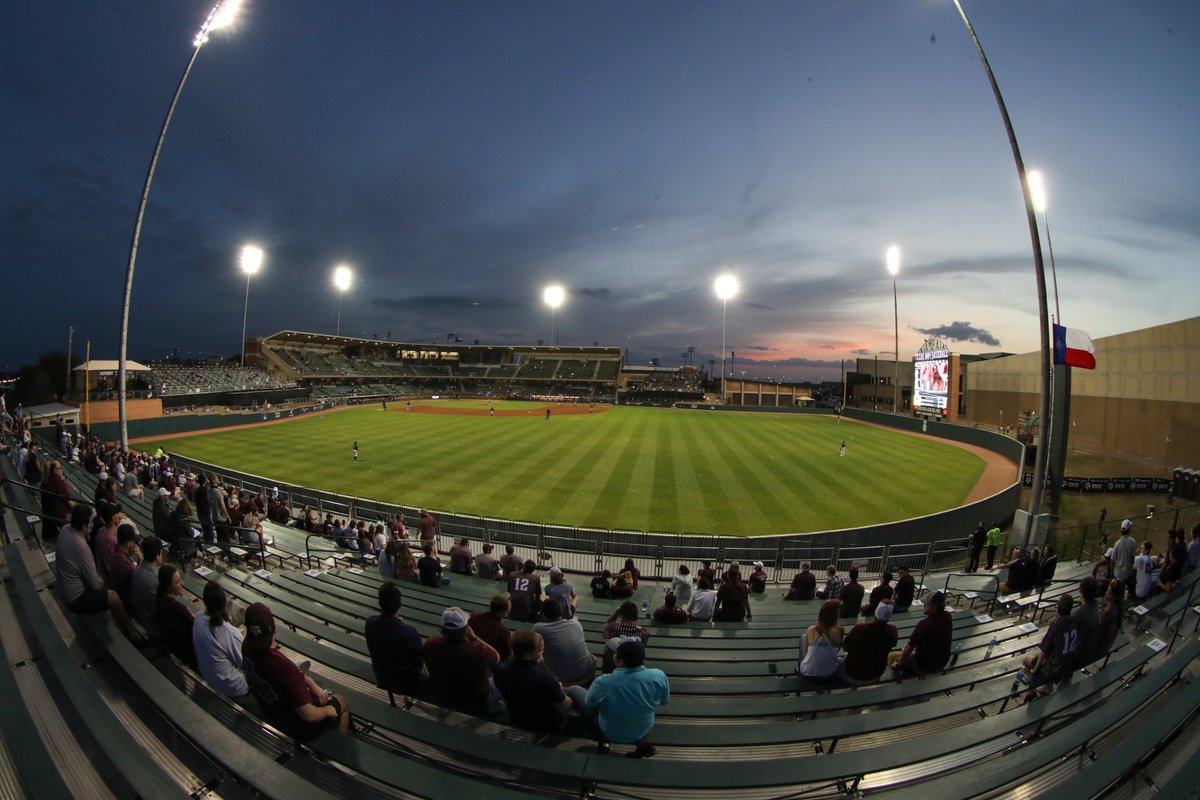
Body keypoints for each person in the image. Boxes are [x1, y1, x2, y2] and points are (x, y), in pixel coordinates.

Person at [243, 603, 350, 738]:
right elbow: (309, 715)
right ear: (274, 629)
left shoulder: (246, 646)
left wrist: (309, 682)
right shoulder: (283, 666)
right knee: (341, 701)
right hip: (295, 726)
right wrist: (328, 710)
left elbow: (283, 676)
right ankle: (338, 744)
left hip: (271, 711)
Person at [54, 505, 136, 640]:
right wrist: (110, 587)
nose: (92, 526)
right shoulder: (81, 547)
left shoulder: (65, 529)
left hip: (65, 589)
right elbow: (96, 585)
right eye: (90, 523)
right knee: (114, 596)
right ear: (84, 526)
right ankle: (131, 634)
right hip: (75, 599)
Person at [584, 640, 669, 758]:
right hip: (643, 728)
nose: (613, 654)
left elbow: (590, 703)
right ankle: (641, 745)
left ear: (621, 661)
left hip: (609, 732)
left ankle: (602, 742)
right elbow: (664, 701)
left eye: (616, 653)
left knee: (575, 691)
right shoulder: (658, 676)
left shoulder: (603, 682)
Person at [495, 629, 587, 735]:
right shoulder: (545, 678)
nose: (542, 653)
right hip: (545, 725)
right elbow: (565, 707)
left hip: (517, 719)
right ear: (531, 653)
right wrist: (560, 690)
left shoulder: (501, 670)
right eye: (540, 650)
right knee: (573, 693)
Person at [422, 607, 501, 714]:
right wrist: (474, 637)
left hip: (443, 695)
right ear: (466, 629)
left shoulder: (431, 643)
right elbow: (496, 657)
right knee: (501, 679)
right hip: (473, 699)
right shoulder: (477, 650)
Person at [364, 582, 430, 700]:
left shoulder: (370, 623)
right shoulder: (408, 632)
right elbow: (419, 657)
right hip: (404, 682)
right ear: (400, 604)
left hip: (381, 675)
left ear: (380, 603)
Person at [1017, 593, 1078, 702]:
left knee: (1026, 660)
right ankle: (1047, 686)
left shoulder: (1056, 623)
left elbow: (1044, 651)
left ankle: (1030, 692)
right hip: (1068, 665)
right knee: (1039, 656)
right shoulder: (1073, 620)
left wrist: (1035, 671)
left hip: (1055, 669)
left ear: (1058, 607)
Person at [193, 581, 249, 698]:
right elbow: (245, 662)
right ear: (224, 603)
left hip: (208, 676)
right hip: (233, 687)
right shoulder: (229, 632)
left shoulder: (198, 617)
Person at [889, 590, 953, 675]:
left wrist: (898, 665)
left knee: (892, 656)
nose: (924, 605)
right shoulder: (948, 616)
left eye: (927, 604)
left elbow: (908, 649)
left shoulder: (924, 624)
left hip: (924, 667)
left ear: (934, 607)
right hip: (942, 662)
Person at [534, 599, 595, 687]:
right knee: (590, 656)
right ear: (561, 611)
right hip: (586, 677)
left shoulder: (538, 628)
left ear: (543, 615)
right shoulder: (576, 624)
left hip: (562, 682)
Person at [840, 600, 899, 684]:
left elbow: (845, 647)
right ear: (889, 617)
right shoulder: (893, 630)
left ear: (875, 613)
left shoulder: (860, 628)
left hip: (854, 674)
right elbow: (893, 644)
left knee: (836, 661)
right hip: (876, 674)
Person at [154, 565, 197, 668]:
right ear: (168, 586)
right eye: (177, 582)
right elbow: (198, 628)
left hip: (175, 647)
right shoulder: (178, 609)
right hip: (189, 653)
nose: (182, 584)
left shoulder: (160, 598)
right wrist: (192, 615)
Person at [798, 600, 844, 679]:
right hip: (829, 675)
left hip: (807, 675)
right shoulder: (840, 631)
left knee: (803, 638)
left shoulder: (811, 629)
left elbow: (805, 653)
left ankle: (799, 666)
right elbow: (836, 652)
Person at [130, 535, 163, 628]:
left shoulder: (136, 570)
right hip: (153, 624)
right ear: (157, 557)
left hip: (142, 615)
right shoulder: (157, 580)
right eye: (161, 553)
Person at [468, 595, 514, 661]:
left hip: (469, 652)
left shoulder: (474, 616)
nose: (508, 613)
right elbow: (507, 653)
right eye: (508, 611)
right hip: (487, 660)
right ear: (502, 612)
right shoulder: (503, 631)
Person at [1071, 578, 1102, 667]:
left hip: (1080, 655)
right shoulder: (1096, 606)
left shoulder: (1079, 614)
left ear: (1082, 593)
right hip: (1091, 650)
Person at [39, 459, 73, 541]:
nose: (62, 470)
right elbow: (71, 504)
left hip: (49, 516)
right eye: (60, 468)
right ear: (55, 470)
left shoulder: (44, 482)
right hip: (60, 516)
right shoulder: (58, 482)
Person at [1098, 579, 1124, 654]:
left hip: (1101, 647)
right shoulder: (1118, 605)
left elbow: (1099, 632)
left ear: (1114, 596)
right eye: (1107, 590)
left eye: (1109, 592)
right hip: (1108, 643)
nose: (1106, 593)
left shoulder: (1109, 611)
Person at [1110, 519, 1137, 591]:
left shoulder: (1117, 543)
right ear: (1129, 529)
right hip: (1127, 574)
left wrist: (1112, 574)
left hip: (1117, 574)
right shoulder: (1133, 541)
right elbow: (1132, 558)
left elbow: (1112, 561)